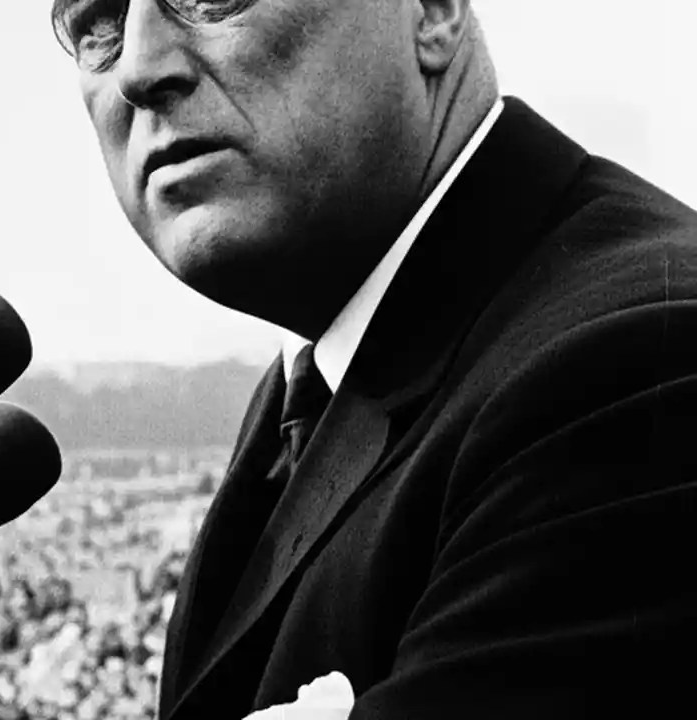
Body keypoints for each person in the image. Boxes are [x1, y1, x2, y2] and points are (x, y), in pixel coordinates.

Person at [49, 0, 697, 718]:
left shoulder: (635, 366)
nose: (139, 67)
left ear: (432, 11)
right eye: (97, 23)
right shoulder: (318, 376)